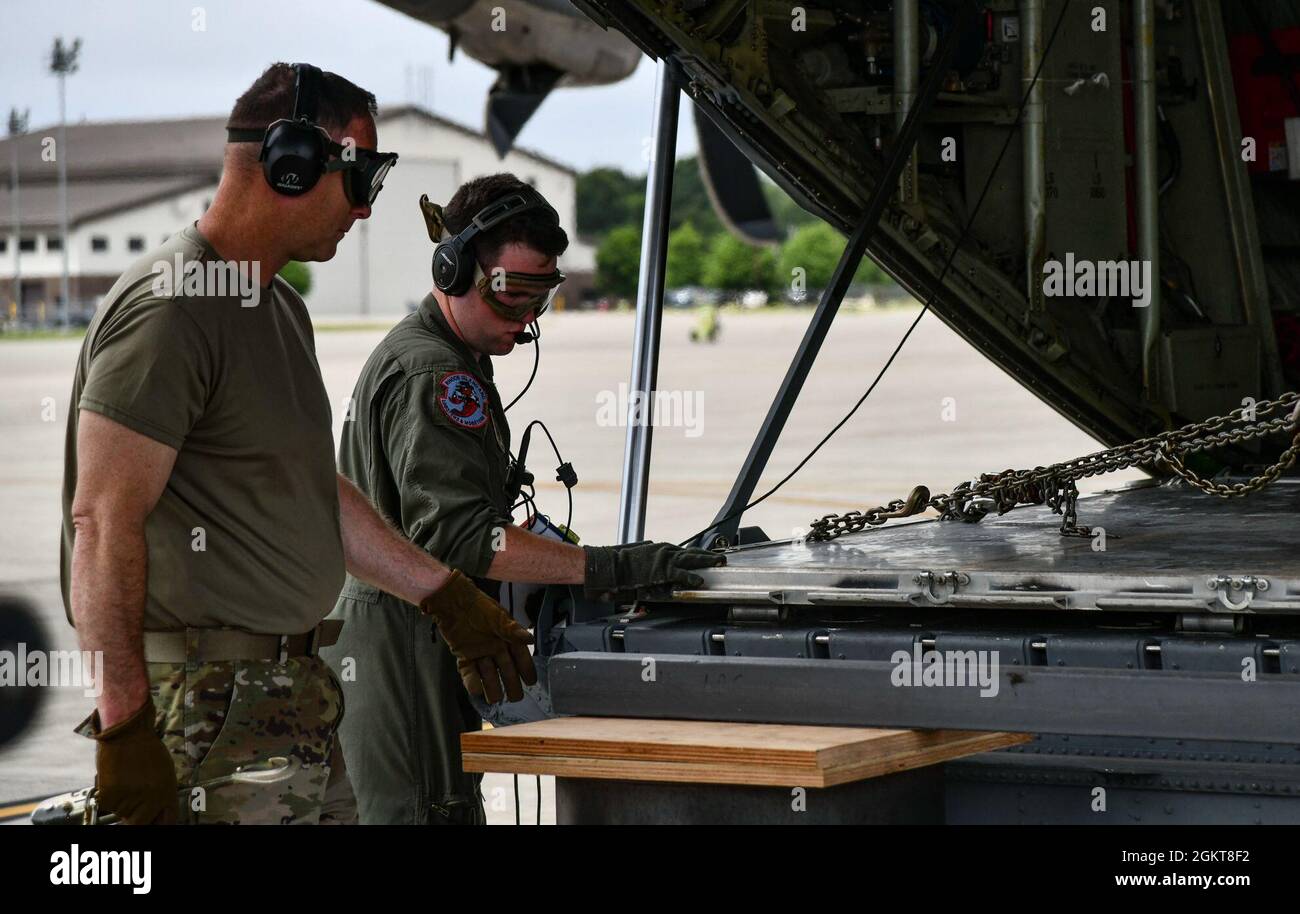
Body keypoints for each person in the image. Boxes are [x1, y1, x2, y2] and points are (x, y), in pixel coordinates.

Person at [60, 64, 533, 825]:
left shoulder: (278, 308)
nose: (366, 211)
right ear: (292, 164)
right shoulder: (172, 310)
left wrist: (444, 596)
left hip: (293, 697)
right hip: (203, 708)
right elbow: (101, 522)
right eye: (362, 179)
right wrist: (124, 729)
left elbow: (315, 491)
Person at [322, 173, 724, 824]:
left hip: (410, 633)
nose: (528, 317)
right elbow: (459, 537)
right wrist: (604, 567)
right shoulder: (437, 372)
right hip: (405, 646)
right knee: (428, 811)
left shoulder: (448, 355)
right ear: (454, 270)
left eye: (541, 295)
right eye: (511, 293)